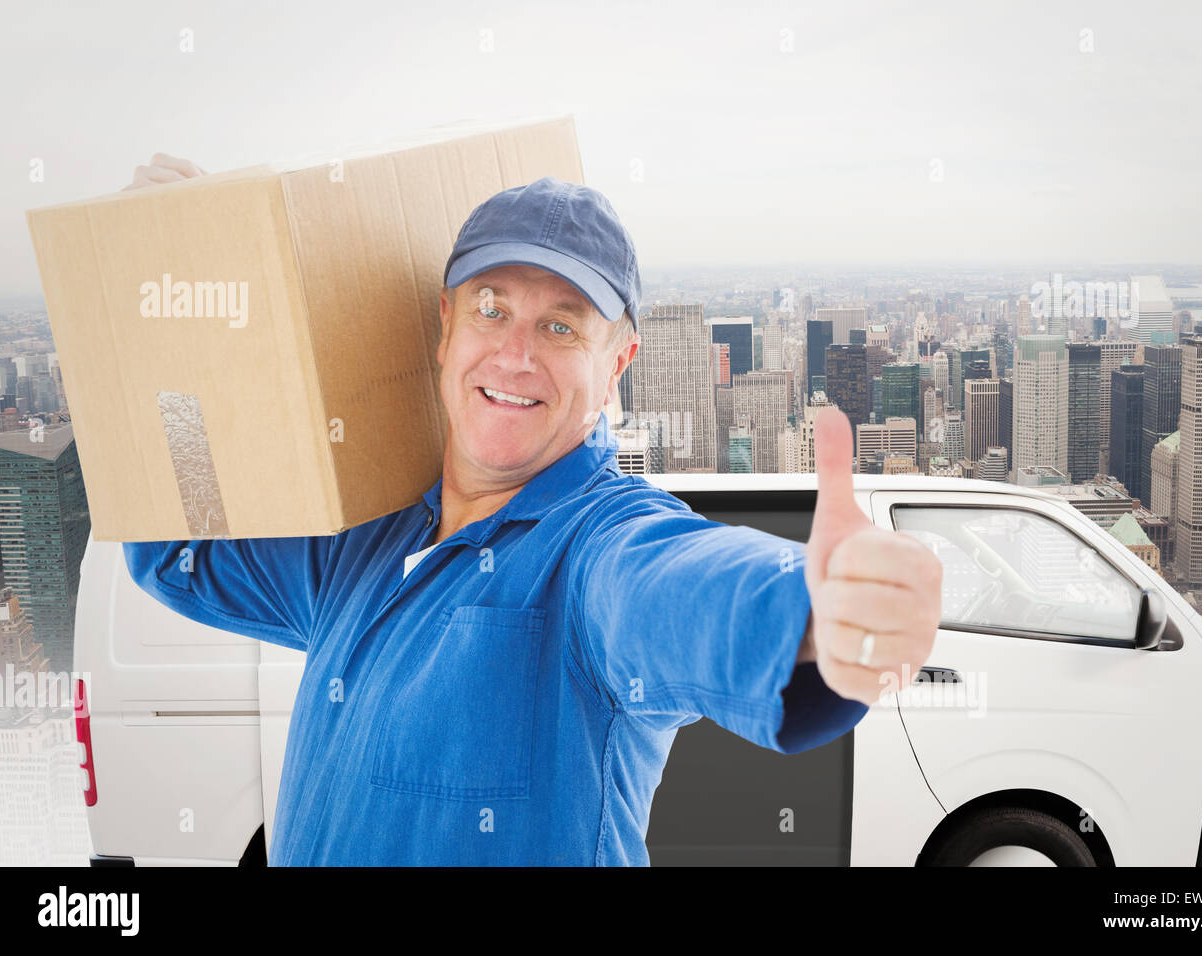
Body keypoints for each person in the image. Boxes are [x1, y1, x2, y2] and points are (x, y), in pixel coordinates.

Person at [121, 153, 943, 865]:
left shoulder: (595, 549)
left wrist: (815, 607)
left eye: (559, 325)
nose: (514, 355)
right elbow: (175, 547)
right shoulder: (356, 552)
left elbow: (681, 587)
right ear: (445, 327)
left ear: (616, 362)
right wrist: (181, 281)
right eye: (491, 308)